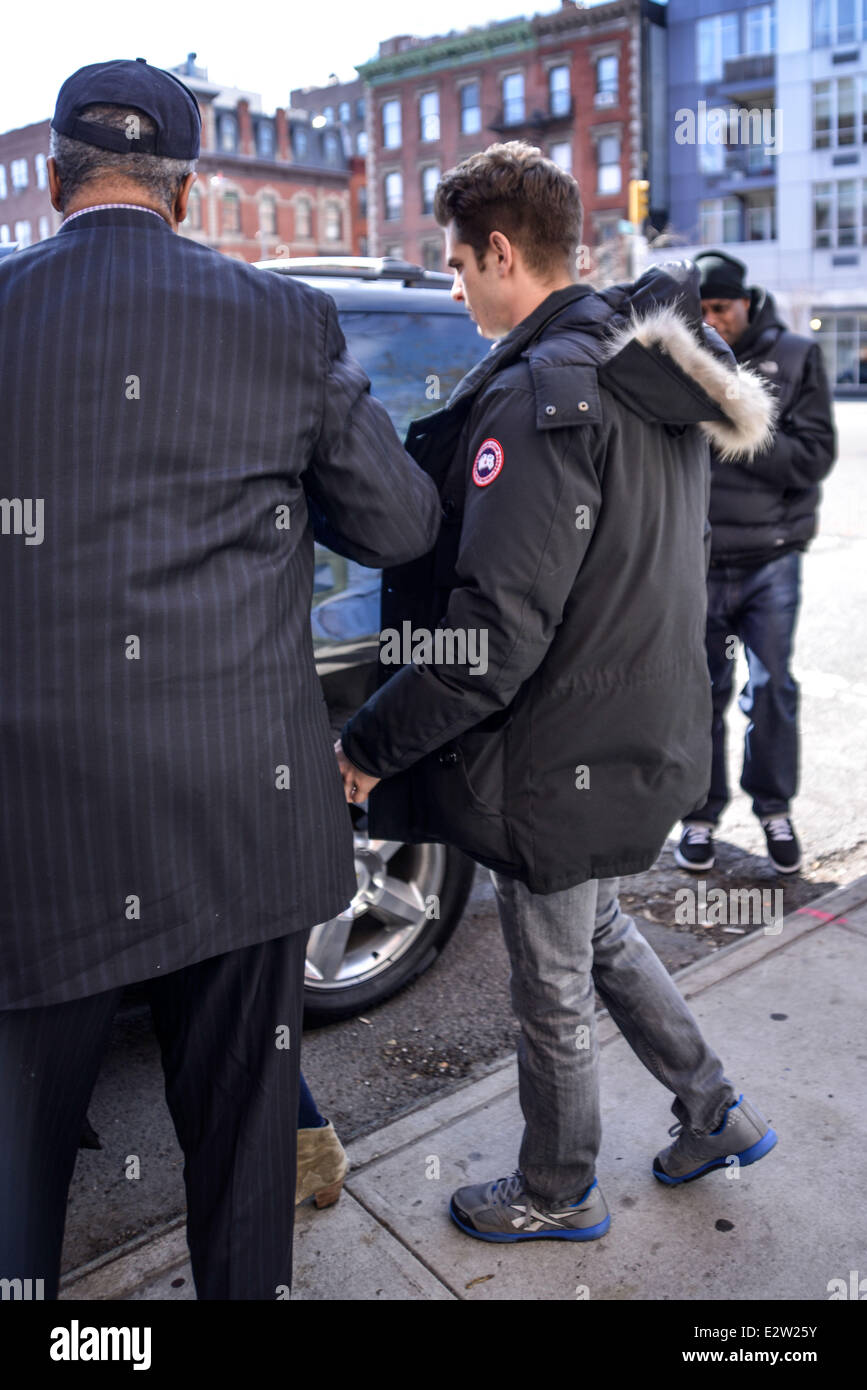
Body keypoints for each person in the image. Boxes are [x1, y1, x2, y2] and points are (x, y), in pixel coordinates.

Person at [0, 58, 440, 1299]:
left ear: (51, 181)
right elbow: (402, 526)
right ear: (185, 193)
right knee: (245, 1153)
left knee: (18, 1173)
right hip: (238, 815)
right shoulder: (284, 319)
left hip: (36, 826)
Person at [334, 142, 779, 1243]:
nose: (452, 285)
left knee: (553, 986)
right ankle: (714, 1108)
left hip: (563, 751)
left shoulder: (545, 394)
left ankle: (556, 1189)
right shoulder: (634, 371)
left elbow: (494, 633)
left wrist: (373, 740)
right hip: (635, 725)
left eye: (455, 262)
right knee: (600, 935)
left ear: (500, 251)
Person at [676, 250, 837, 876]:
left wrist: (734, 419)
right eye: (705, 309)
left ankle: (774, 808)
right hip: (700, 554)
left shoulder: (796, 355)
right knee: (700, 694)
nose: (715, 318)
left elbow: (814, 455)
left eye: (722, 306)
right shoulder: (682, 359)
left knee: (773, 690)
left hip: (771, 555)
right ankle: (698, 816)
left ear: (747, 300)